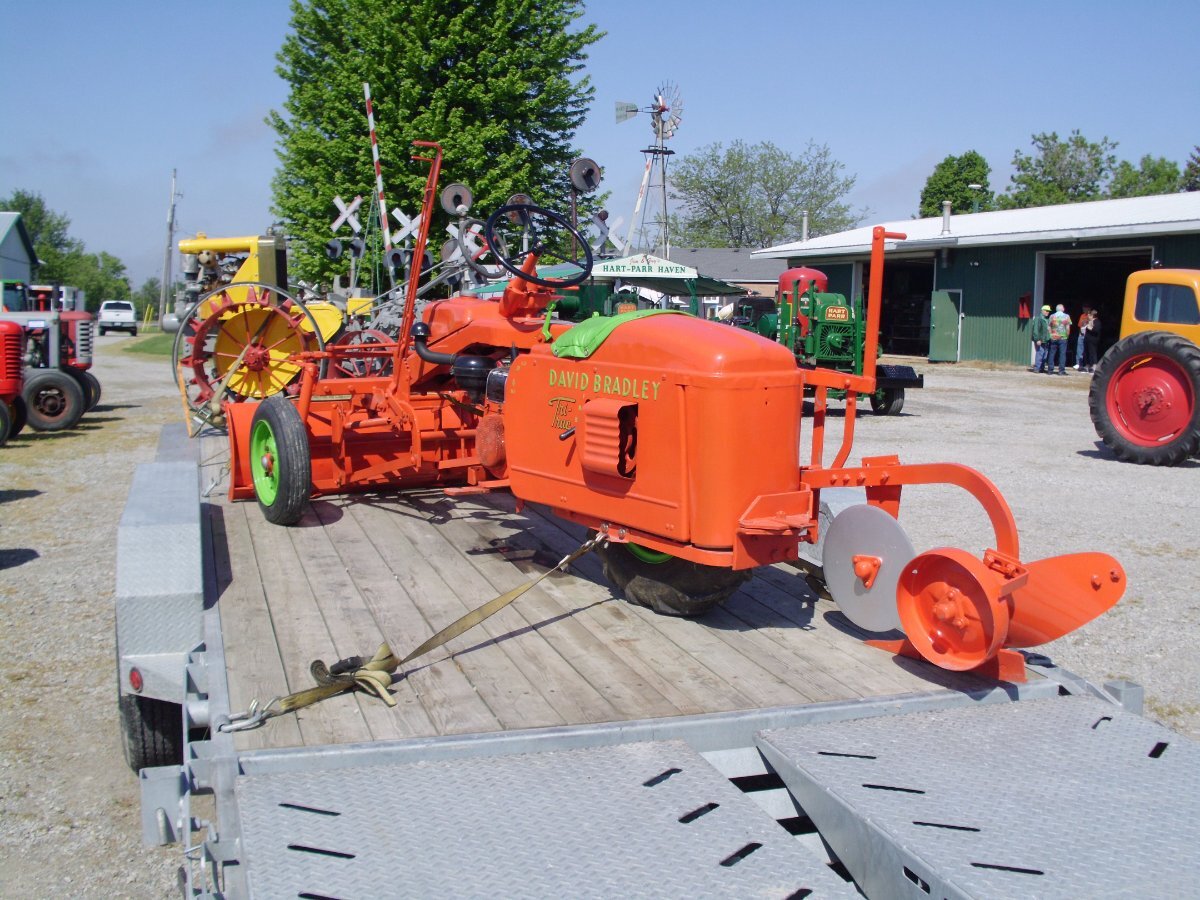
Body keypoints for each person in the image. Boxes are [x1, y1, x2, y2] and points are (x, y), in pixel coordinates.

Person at [1048, 303, 1072, 374]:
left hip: (1053, 336)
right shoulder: (1066, 316)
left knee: (1052, 353)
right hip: (1063, 337)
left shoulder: (1052, 316)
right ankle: (1061, 371)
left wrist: (1050, 335)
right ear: (1062, 309)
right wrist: (1067, 336)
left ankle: (1050, 370)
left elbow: (1049, 327)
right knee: (1062, 354)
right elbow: (1067, 327)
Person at [1030, 304, 1051, 372]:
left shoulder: (1047, 319)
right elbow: (1035, 330)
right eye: (1046, 311)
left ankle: (1042, 368)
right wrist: (1037, 339)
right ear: (1042, 310)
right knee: (1040, 353)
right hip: (1040, 340)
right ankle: (1037, 368)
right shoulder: (1038, 318)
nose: (1047, 312)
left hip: (1046, 340)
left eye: (1048, 311)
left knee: (1045, 355)